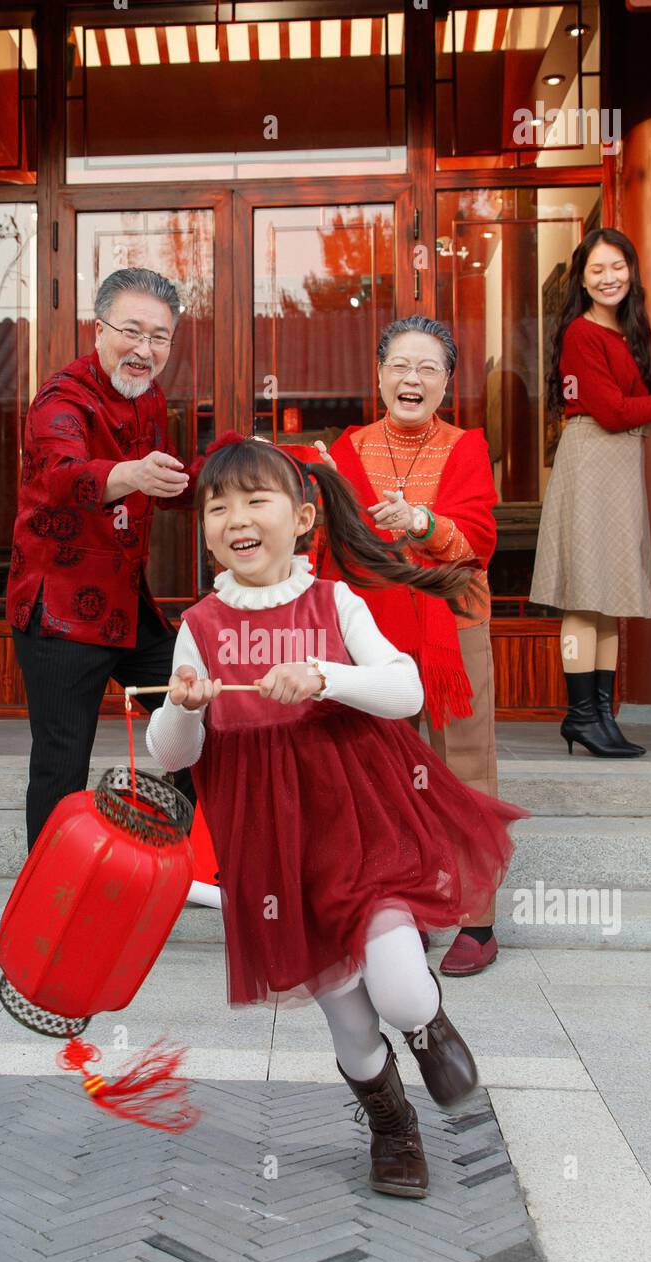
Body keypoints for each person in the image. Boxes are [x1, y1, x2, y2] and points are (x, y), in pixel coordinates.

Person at [146, 433, 528, 1199]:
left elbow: (406, 690)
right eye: (218, 507)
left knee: (400, 988)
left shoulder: (335, 600)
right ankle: (393, 1127)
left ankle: (427, 1026)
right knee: (351, 1029)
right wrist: (185, 708)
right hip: (274, 854)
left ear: (304, 516)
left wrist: (324, 675)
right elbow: (170, 753)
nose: (235, 518)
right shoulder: (201, 625)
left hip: (362, 827)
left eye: (256, 500)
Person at [313, 316, 501, 978]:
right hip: (378, 632)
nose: (411, 379)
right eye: (399, 365)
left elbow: (476, 535)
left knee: (463, 768)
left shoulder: (467, 445)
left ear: (447, 382)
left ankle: (477, 919)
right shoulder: (350, 446)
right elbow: (331, 539)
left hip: (454, 626)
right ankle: (405, 909)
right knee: (385, 770)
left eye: (427, 368)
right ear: (379, 374)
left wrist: (422, 521)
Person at [7, 267, 200, 851]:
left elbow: (166, 483)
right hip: (60, 609)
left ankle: (179, 848)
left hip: (125, 603)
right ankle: (49, 900)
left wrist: (237, 474)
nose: (144, 351)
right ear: (99, 329)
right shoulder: (60, 398)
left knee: (198, 706)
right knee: (63, 763)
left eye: (160, 337)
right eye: (132, 331)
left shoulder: (151, 399)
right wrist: (133, 474)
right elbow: (63, 476)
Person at [529, 230, 651, 756]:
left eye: (618, 267)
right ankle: (581, 716)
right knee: (586, 598)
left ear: (631, 269)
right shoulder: (582, 334)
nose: (610, 278)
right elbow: (610, 410)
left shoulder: (623, 328)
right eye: (598, 270)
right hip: (592, 458)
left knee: (605, 600)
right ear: (581, 278)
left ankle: (599, 718)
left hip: (619, 462)